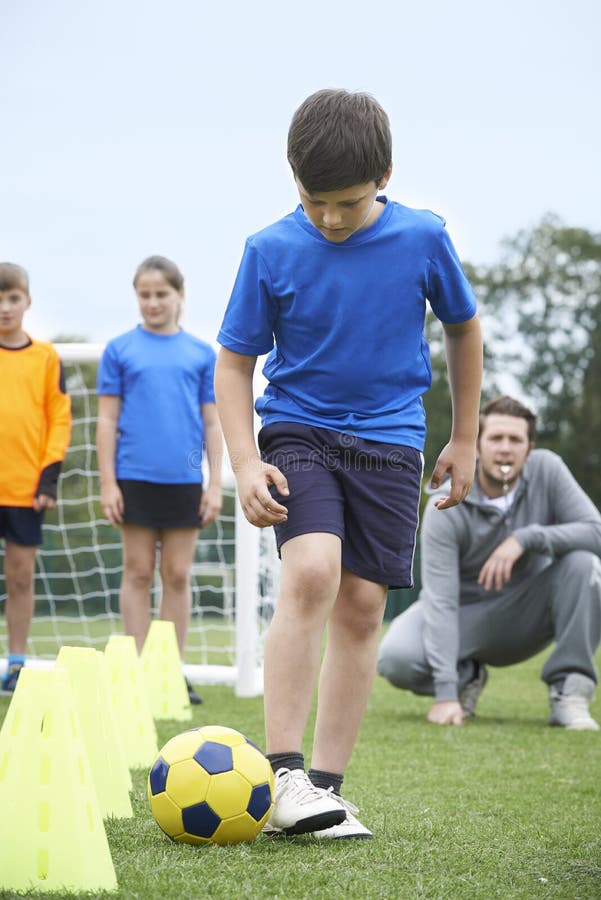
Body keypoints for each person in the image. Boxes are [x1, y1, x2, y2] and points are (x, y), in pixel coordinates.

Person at [214, 89, 482, 838]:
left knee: (363, 608)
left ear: (384, 178)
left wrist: (462, 437)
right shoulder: (268, 249)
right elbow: (234, 362)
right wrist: (242, 460)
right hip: (299, 429)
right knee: (309, 574)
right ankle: (282, 774)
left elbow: (463, 330)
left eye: (347, 203)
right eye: (313, 200)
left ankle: (325, 790)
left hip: (393, 439)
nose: (328, 218)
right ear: (292, 179)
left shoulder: (423, 237)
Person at [378, 395, 601, 731]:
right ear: (477, 447)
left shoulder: (548, 470)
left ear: (530, 448)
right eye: (496, 438)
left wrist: (529, 538)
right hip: (464, 614)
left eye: (516, 440)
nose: (506, 448)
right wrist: (445, 692)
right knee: (394, 657)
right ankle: (467, 678)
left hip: (527, 611)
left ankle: (569, 693)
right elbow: (440, 602)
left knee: (584, 565)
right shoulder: (445, 503)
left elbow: (595, 532)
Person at [96, 255, 223, 706]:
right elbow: (107, 420)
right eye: (144, 295)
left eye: (161, 294)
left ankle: (168, 672)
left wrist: (214, 484)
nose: (152, 303)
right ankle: (135, 670)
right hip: (133, 477)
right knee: (137, 571)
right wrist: (108, 483)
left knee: (176, 573)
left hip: (184, 480)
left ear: (179, 295)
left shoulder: (200, 354)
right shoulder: (119, 350)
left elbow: (212, 422)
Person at [0, 262, 72, 694]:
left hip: (25, 487)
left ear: (26, 301)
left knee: (21, 576)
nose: (4, 307)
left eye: (12, 298)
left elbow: (58, 419)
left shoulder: (45, 357)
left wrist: (48, 480)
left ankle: (17, 662)